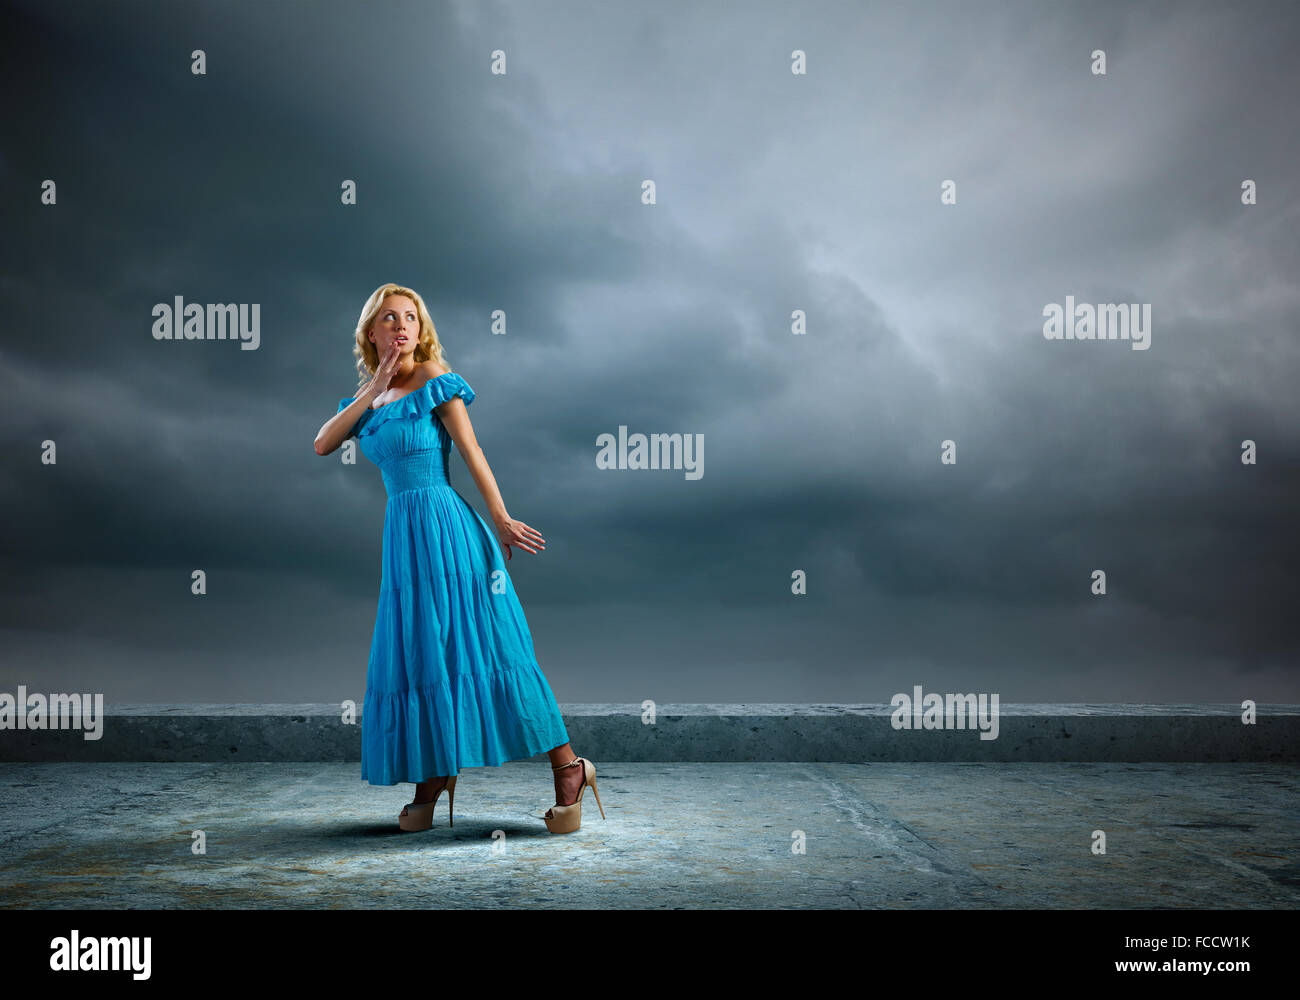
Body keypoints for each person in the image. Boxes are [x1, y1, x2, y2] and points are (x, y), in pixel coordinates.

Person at [314, 282, 606, 835]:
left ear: (420, 331)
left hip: (449, 532)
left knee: (494, 647)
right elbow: (323, 443)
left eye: (411, 318)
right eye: (390, 319)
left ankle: (569, 769)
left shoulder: (434, 381)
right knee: (424, 652)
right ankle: (434, 776)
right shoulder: (369, 402)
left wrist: (500, 520)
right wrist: (374, 384)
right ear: (370, 333)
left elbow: (472, 452)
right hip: (404, 542)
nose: (402, 327)